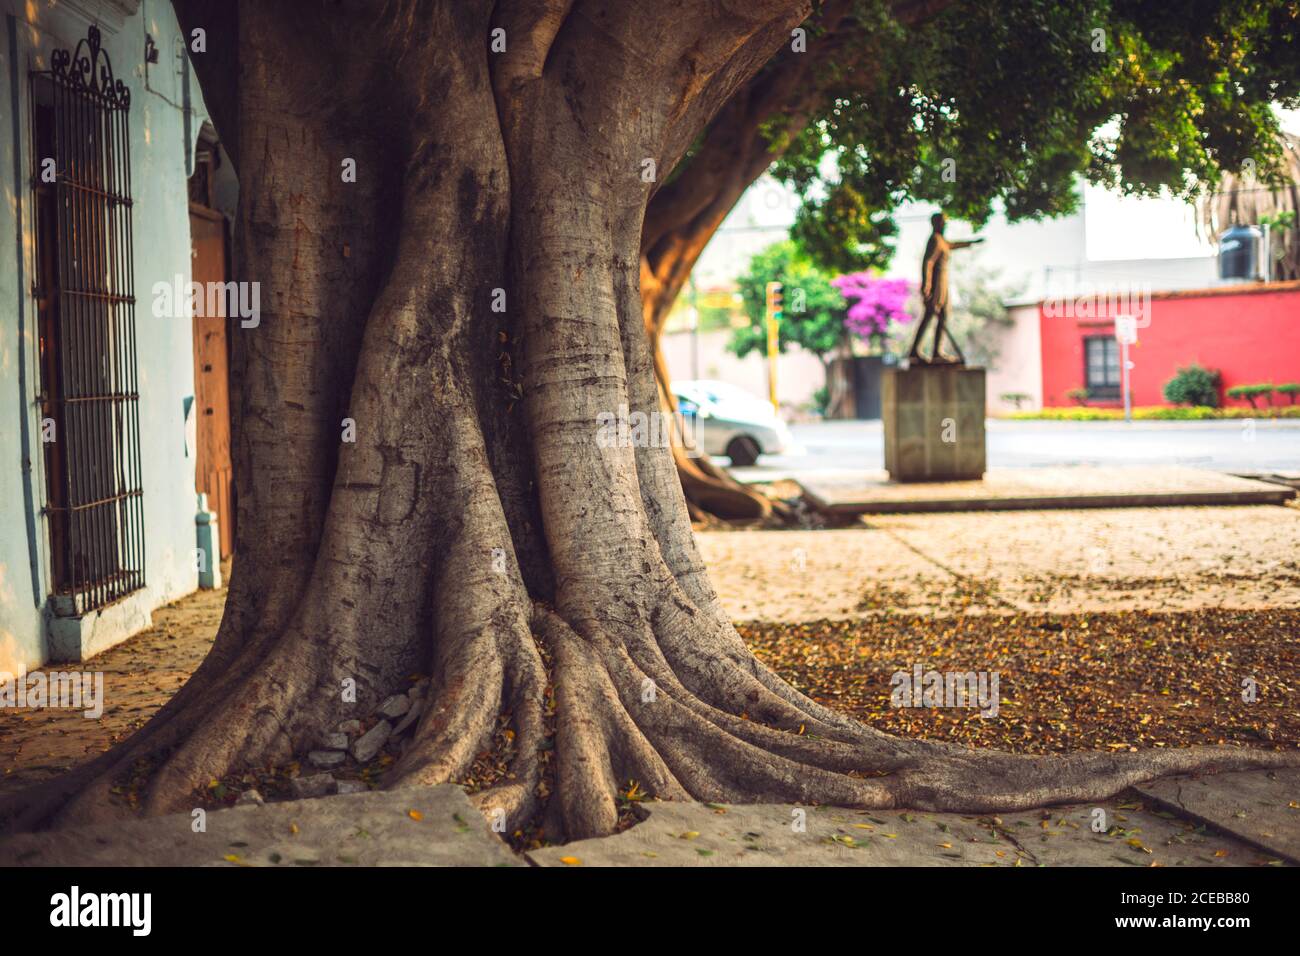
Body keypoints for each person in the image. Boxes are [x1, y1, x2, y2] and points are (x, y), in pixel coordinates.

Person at [909, 212, 983, 364]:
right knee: (930, 315)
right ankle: (915, 350)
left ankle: (937, 351)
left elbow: (953, 245)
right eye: (942, 222)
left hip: (943, 283)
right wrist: (927, 285)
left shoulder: (942, 241)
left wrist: (972, 242)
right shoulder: (935, 240)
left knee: (943, 314)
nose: (945, 224)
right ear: (936, 223)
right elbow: (928, 262)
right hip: (936, 284)